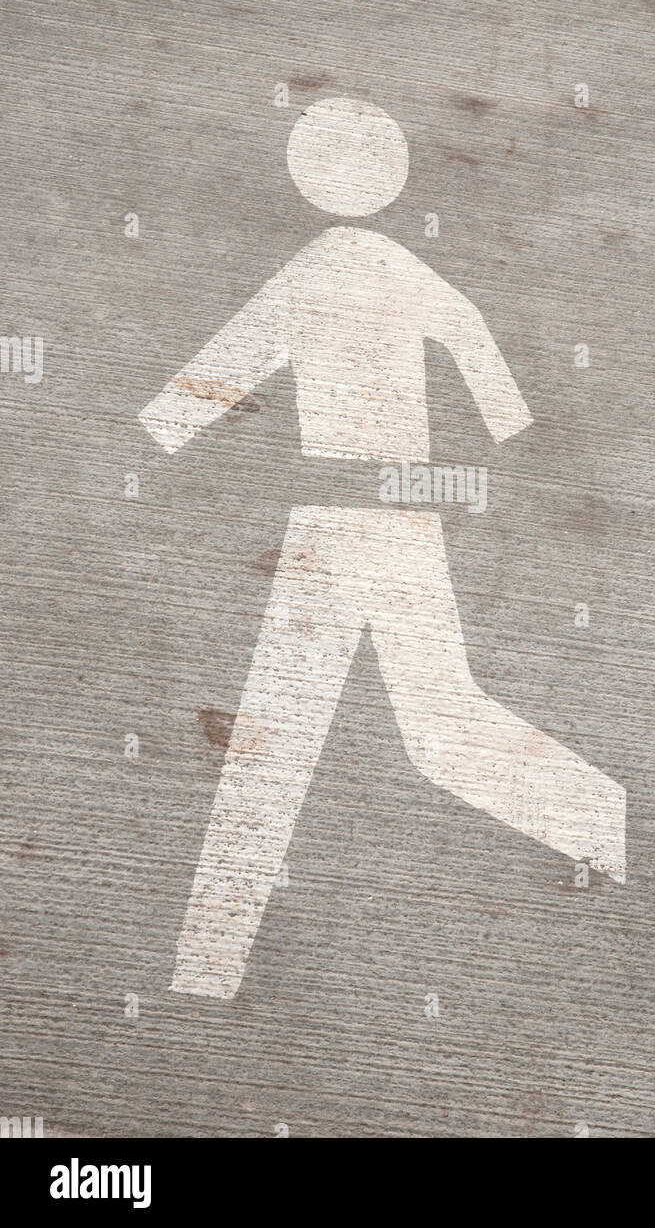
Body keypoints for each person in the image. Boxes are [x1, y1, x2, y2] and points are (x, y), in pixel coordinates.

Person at [140, 98, 626, 999]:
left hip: (332, 522)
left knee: (285, 741)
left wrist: (165, 428)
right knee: (433, 724)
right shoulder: (402, 266)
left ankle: (208, 963)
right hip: (400, 519)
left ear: (306, 175)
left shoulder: (313, 269)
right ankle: (603, 823)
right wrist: (508, 427)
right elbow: (472, 333)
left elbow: (226, 363)